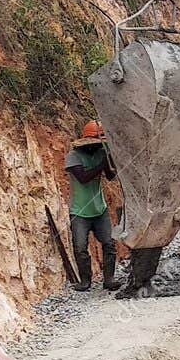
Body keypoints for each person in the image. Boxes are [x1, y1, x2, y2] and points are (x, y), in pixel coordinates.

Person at [65, 121, 121, 293]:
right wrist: (102, 164)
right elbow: (83, 178)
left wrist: (112, 162)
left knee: (109, 244)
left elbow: (111, 176)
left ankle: (109, 279)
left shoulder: (101, 153)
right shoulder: (73, 156)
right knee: (80, 247)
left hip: (100, 209)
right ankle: (85, 281)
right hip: (79, 212)